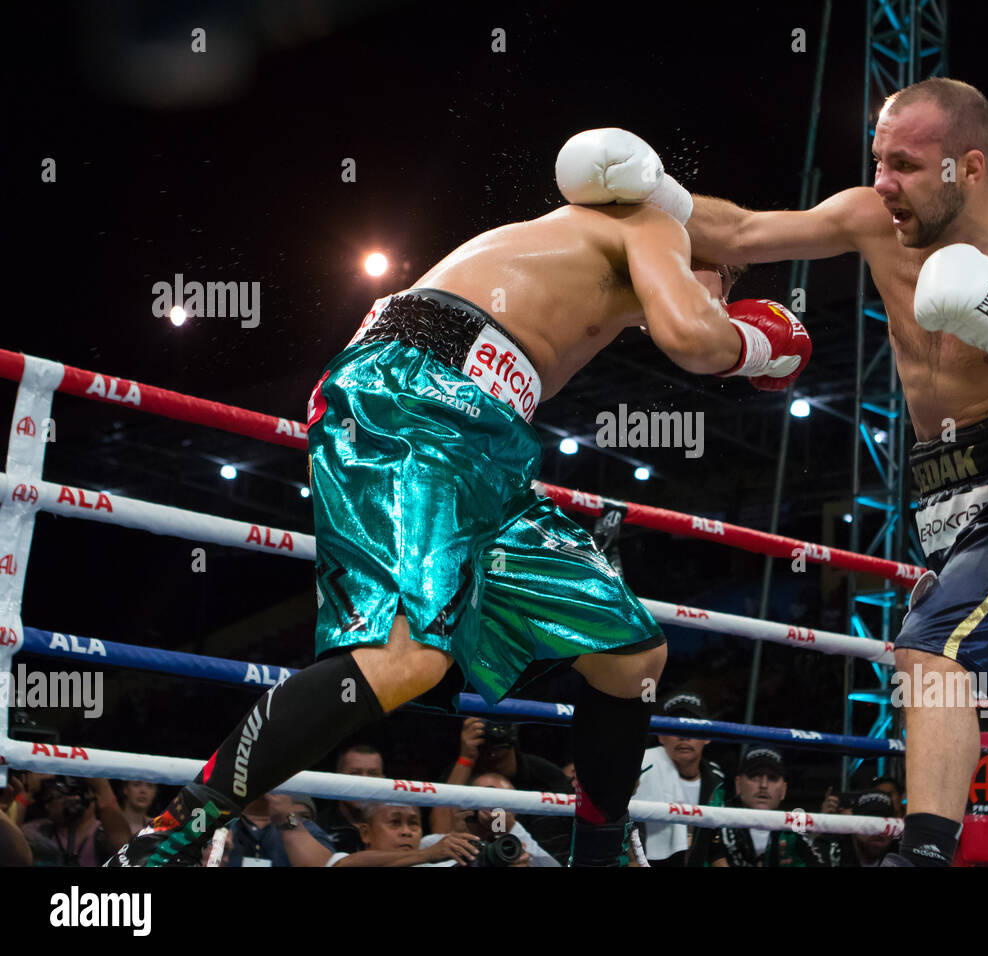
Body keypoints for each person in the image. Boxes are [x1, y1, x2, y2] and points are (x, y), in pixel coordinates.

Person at [558, 84, 988, 867]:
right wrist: (651, 188)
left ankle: (921, 854)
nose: (883, 180)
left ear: (968, 168)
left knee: (932, 653)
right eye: (878, 160)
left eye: (904, 163)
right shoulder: (874, 218)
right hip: (946, 507)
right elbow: (742, 230)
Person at [109, 185, 810, 868]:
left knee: (630, 656)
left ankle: (597, 855)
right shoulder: (646, 228)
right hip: (415, 392)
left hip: (487, 443)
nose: (718, 304)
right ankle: (167, 837)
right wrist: (759, 344)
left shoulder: (604, 282)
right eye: (721, 286)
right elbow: (699, 332)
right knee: (405, 658)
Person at [433, 719, 571, 861]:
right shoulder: (459, 775)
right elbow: (441, 839)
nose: (493, 730)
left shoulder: (545, 775)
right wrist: (466, 758)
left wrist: (507, 827)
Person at [634, 693, 726, 866]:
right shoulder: (640, 767)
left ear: (707, 736)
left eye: (691, 727)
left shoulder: (715, 780)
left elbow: (713, 846)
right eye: (675, 728)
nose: (684, 737)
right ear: (661, 736)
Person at [703, 749, 828, 867]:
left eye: (772, 778)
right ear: (738, 784)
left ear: (783, 790)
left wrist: (824, 828)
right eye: (755, 776)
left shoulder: (792, 831)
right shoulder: (717, 819)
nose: (763, 785)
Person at [424, 772, 560, 867]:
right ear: (465, 804)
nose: (494, 808)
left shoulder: (511, 852)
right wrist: (463, 831)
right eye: (487, 798)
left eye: (504, 803)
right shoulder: (435, 844)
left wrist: (507, 829)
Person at [321, 802, 481, 868]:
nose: (406, 832)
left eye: (413, 823)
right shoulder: (345, 859)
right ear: (366, 833)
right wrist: (426, 854)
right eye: (395, 822)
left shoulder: (441, 864)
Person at [314, 744, 385, 853]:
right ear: (337, 779)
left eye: (373, 774)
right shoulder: (318, 828)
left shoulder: (398, 827)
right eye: (355, 773)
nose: (364, 782)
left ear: (384, 780)